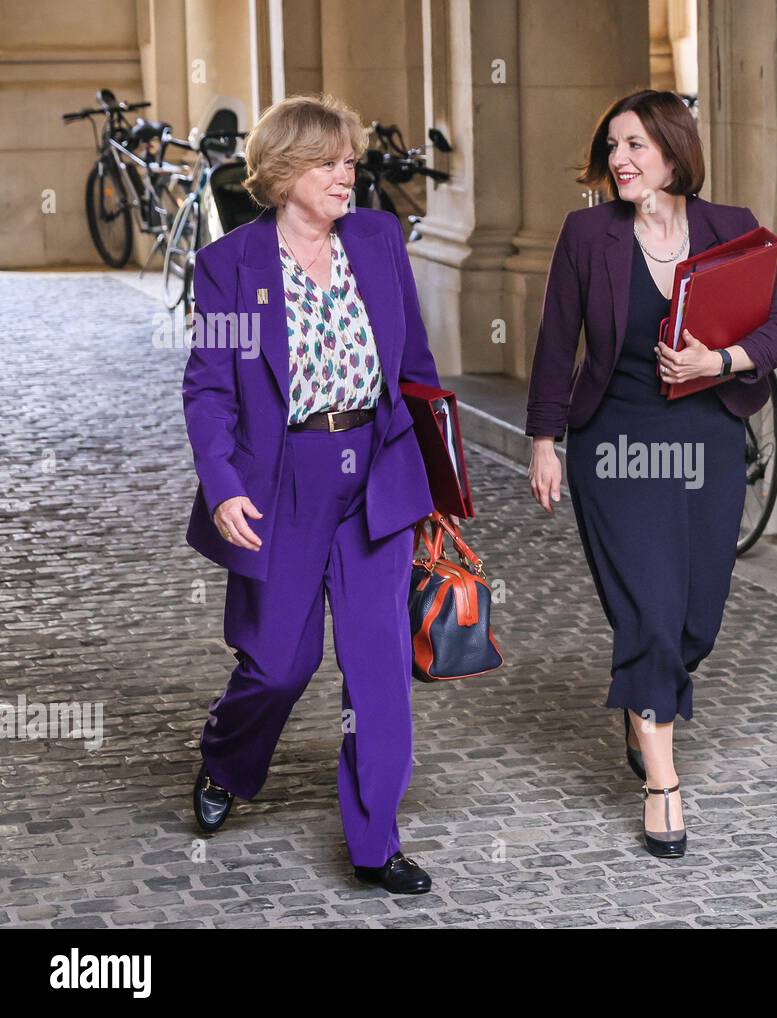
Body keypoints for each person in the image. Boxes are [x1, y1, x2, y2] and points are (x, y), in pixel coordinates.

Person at [524, 90, 777, 858]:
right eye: (613, 145)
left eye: (636, 145)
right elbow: (555, 341)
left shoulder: (730, 228)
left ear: (675, 153)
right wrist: (545, 438)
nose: (620, 159)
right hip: (616, 442)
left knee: (694, 618)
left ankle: (645, 699)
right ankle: (662, 781)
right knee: (647, 612)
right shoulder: (588, 235)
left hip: (707, 435)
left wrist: (723, 360)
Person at [180, 94, 440, 894]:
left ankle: (374, 843)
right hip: (280, 481)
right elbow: (209, 391)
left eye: (350, 161)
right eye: (328, 162)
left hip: (376, 472)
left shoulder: (377, 239)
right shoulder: (230, 269)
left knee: (379, 667)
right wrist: (222, 487)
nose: (346, 175)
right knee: (277, 666)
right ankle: (227, 760)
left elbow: (417, 368)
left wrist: (433, 487)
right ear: (284, 173)